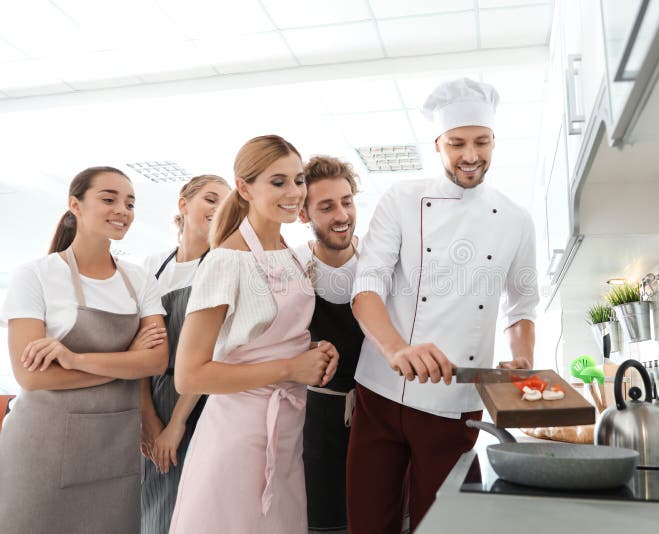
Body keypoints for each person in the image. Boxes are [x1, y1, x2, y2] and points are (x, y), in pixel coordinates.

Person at [347, 78, 539, 533]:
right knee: (369, 524)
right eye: (457, 143)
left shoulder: (516, 219)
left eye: (482, 142)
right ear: (437, 144)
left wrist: (523, 357)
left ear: (494, 141)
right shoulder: (401, 199)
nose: (471, 155)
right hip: (380, 393)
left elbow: (522, 304)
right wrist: (396, 348)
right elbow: (366, 286)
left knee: (447, 526)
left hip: (456, 402)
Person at [168, 135, 340, 534]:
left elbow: (259, 339)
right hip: (238, 434)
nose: (294, 192)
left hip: (286, 430)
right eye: (278, 182)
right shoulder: (226, 261)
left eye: (298, 180)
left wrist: (313, 350)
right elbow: (189, 376)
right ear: (244, 188)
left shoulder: (288, 252)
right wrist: (291, 368)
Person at [0, 166, 168, 533]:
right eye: (109, 199)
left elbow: (156, 360)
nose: (122, 210)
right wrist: (128, 362)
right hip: (39, 449)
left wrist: (73, 359)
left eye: (130, 203)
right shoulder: (35, 275)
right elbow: (31, 376)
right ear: (75, 205)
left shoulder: (140, 279)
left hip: (113, 451)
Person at [139, 174, 231, 534]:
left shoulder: (222, 265)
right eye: (210, 199)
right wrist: (148, 420)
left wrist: (176, 423)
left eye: (225, 203)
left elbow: (214, 352)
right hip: (149, 395)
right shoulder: (152, 265)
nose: (218, 209)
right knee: (150, 506)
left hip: (200, 401)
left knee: (192, 508)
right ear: (183, 204)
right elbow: (137, 350)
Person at [293, 155, 363, 534]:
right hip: (313, 425)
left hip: (375, 420)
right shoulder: (290, 268)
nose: (342, 215)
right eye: (327, 206)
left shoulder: (380, 264)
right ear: (303, 214)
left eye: (347, 201)